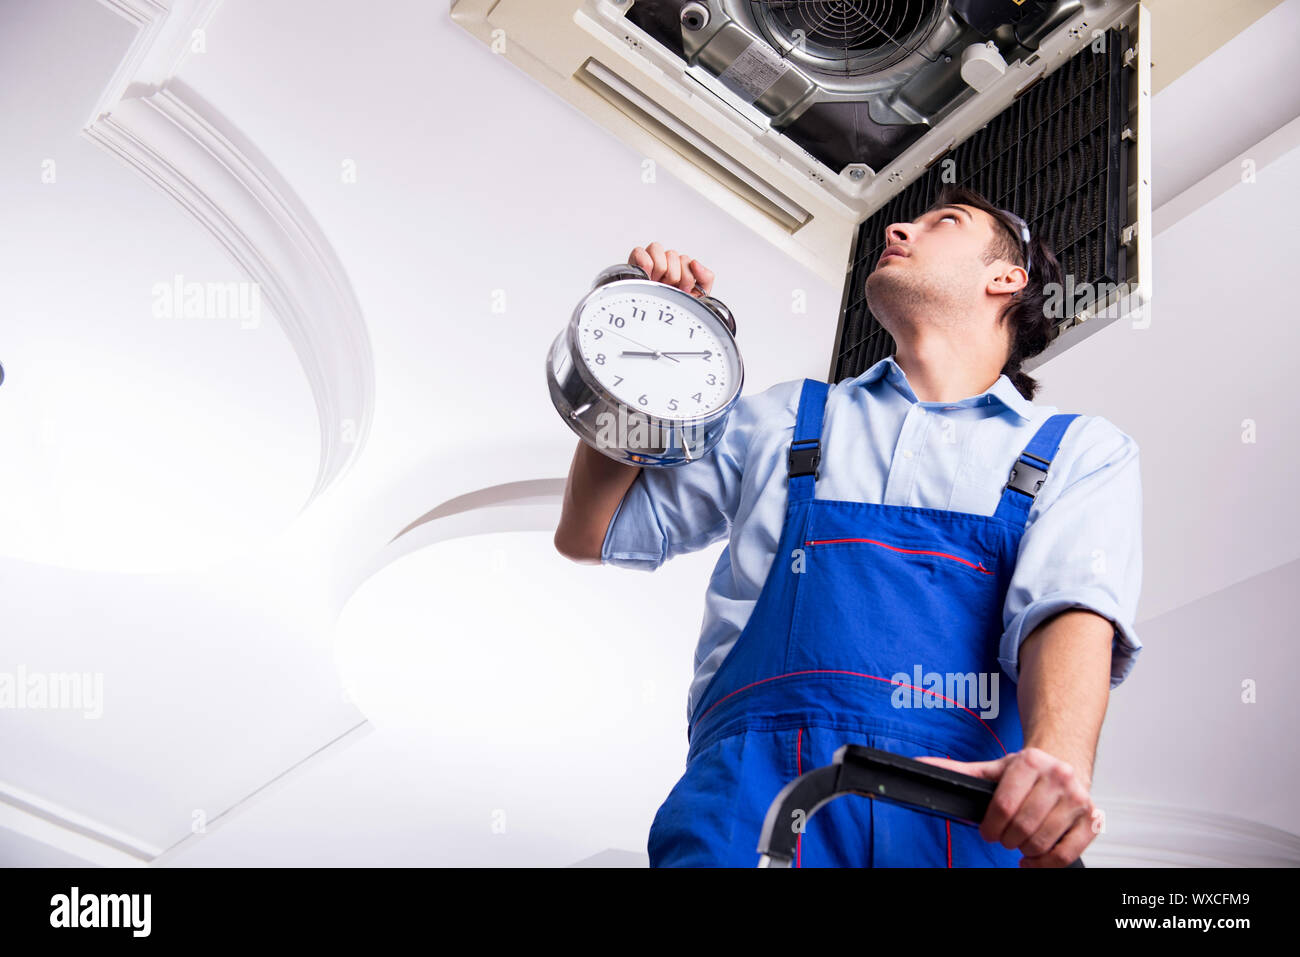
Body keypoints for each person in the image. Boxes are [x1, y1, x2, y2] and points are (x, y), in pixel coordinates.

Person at [553, 184, 1143, 868]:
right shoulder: (780, 419)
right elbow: (592, 531)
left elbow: (1068, 605)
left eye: (943, 221)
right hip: (746, 799)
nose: (897, 227)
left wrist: (1055, 766)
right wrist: (634, 354)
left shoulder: (1078, 450)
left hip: (960, 814)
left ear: (1006, 278)